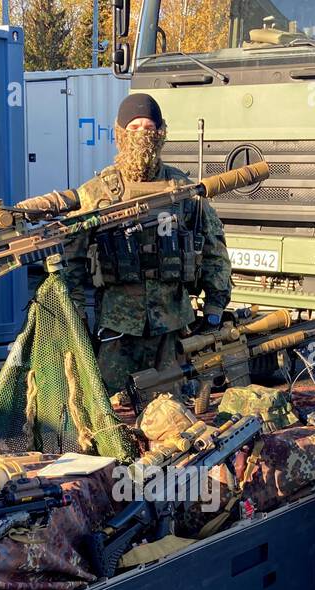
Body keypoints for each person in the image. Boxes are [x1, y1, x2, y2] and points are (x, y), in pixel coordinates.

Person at [63, 93, 232, 403]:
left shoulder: (184, 191)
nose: (142, 133)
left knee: (171, 411)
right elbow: (71, 262)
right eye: (134, 126)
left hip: (171, 326)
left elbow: (214, 250)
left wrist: (215, 306)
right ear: (120, 133)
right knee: (110, 408)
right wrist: (75, 315)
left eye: (149, 126)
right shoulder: (97, 194)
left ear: (161, 132)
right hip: (117, 327)